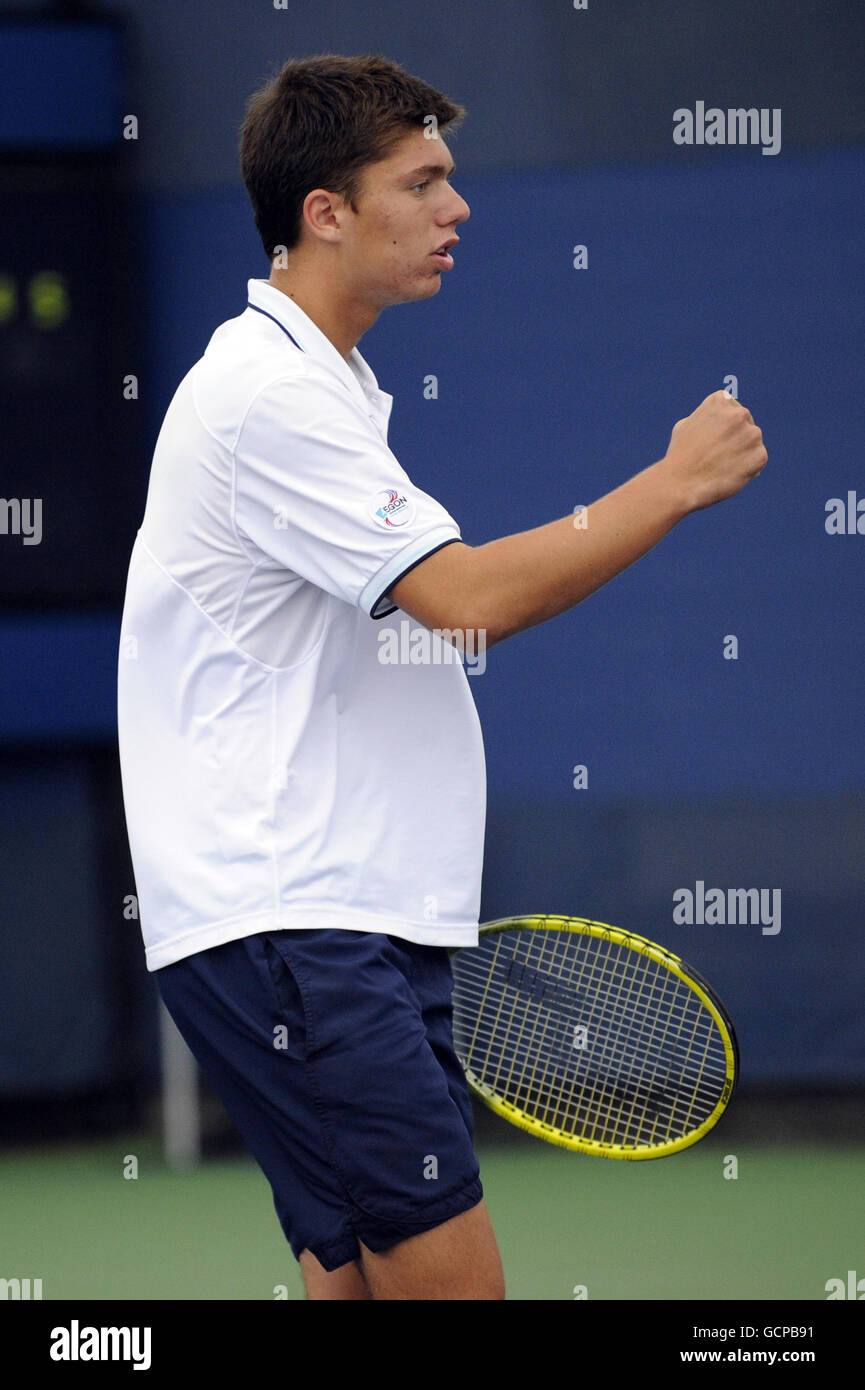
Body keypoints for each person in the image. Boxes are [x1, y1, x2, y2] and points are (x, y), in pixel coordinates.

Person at [117, 54, 767, 1302]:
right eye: (421, 182)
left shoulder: (327, 390)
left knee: (361, 1286)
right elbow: (463, 602)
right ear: (326, 211)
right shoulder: (270, 397)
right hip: (296, 915)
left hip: (312, 917)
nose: (456, 207)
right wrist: (672, 480)